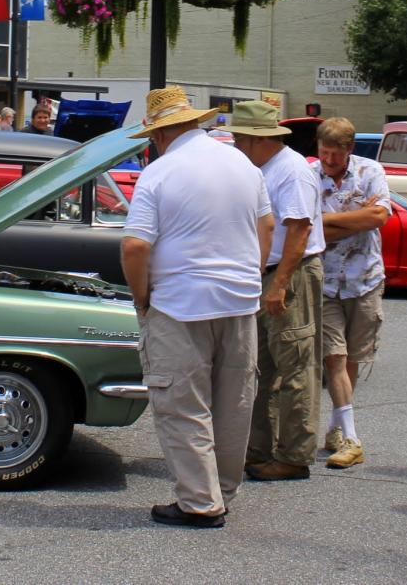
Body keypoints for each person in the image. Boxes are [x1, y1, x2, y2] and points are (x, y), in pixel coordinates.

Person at [122, 86, 273, 529]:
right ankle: (221, 491)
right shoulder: (241, 163)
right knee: (234, 401)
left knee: (182, 403)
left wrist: (141, 297)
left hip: (180, 301)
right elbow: (266, 224)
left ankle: (199, 502)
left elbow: (134, 246)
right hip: (239, 299)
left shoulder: (160, 172)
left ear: (160, 134)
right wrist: (249, 273)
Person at [228, 101, 326, 482]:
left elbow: (299, 231)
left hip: (291, 273)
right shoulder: (268, 167)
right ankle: (260, 448)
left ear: (256, 139)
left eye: (239, 137)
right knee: (263, 367)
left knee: (295, 364)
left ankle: (294, 455)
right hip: (272, 273)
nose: (236, 143)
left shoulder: (292, 170)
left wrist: (280, 284)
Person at [312, 117, 390, 469]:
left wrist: (332, 223)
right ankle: (353, 440)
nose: (328, 161)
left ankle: (336, 427)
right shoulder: (310, 176)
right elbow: (309, 227)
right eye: (323, 153)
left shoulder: (370, 170)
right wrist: (356, 216)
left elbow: (379, 217)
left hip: (365, 279)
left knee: (354, 359)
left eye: (334, 155)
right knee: (335, 358)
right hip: (326, 282)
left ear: (349, 150)